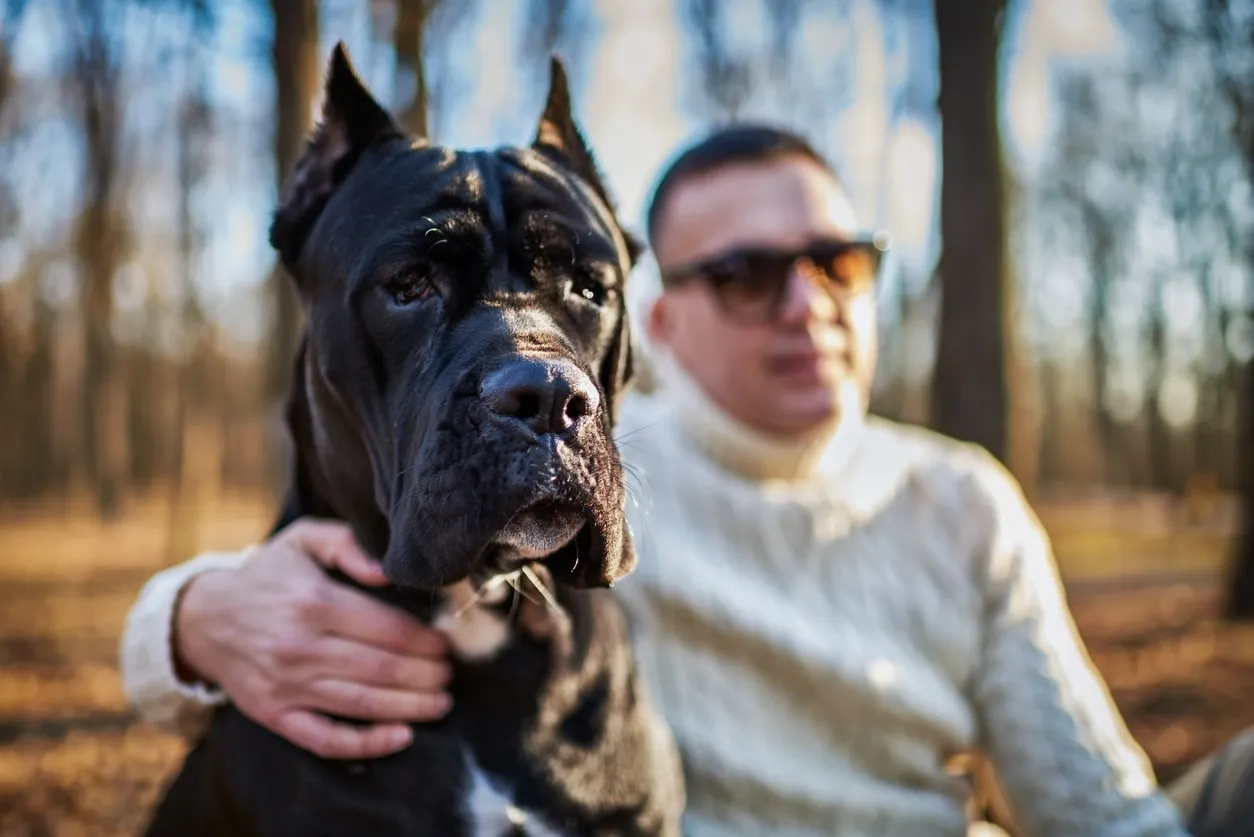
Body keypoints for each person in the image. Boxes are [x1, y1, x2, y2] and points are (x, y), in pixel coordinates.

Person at [121, 126, 1254, 836]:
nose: (807, 302)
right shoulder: (587, 459)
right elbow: (357, 515)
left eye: (837, 261)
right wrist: (191, 615)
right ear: (663, 323)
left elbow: (1101, 811)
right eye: (749, 275)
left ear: (613, 324)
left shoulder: (967, 498)